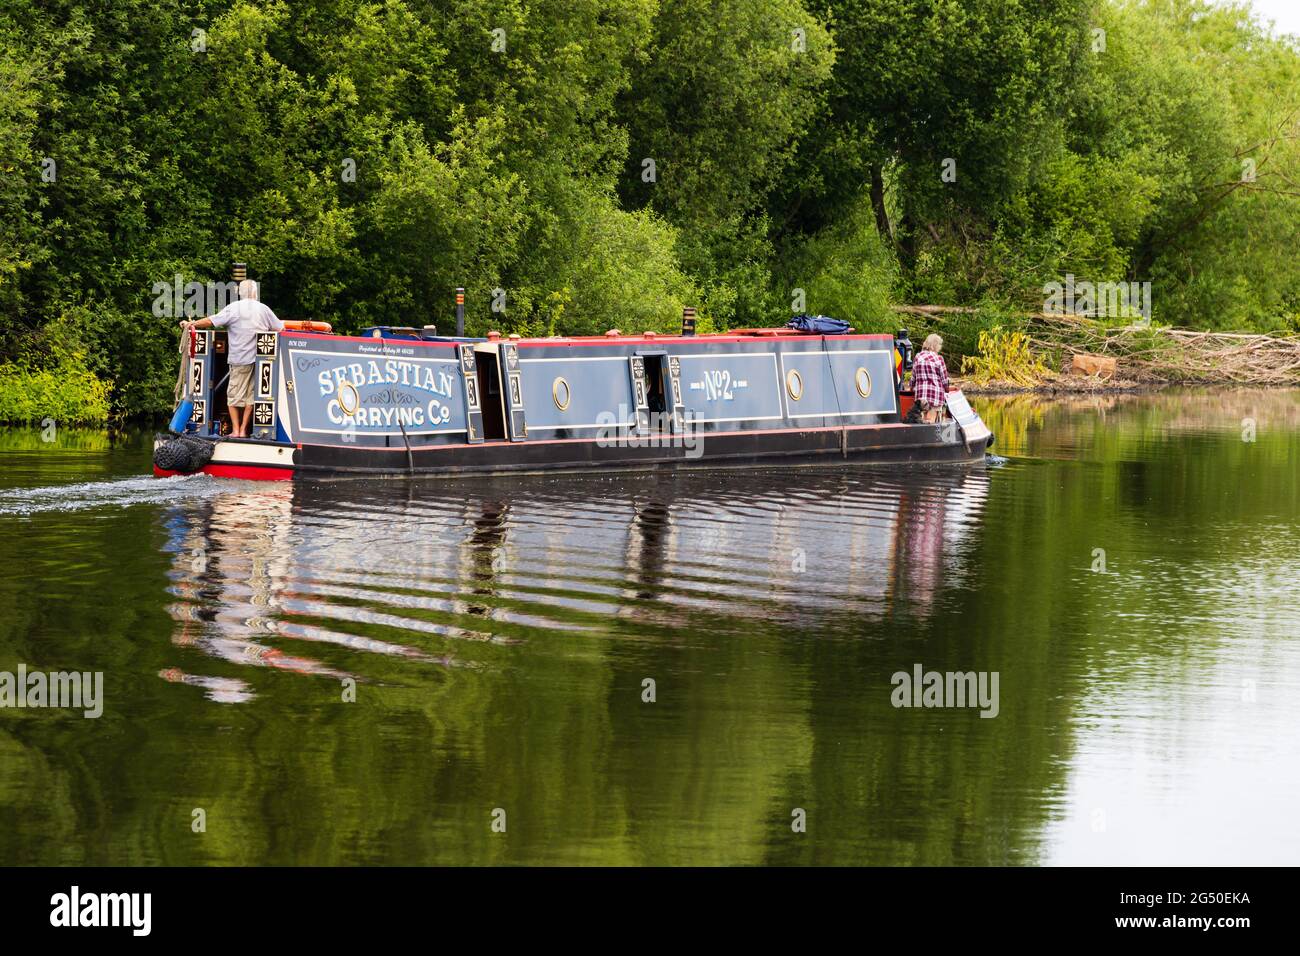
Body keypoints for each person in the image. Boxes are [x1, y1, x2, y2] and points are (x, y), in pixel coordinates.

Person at [184, 279, 283, 438]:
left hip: (239, 360)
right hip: (260, 362)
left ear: (240, 294)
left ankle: (236, 431)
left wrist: (193, 324)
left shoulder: (234, 308)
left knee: (232, 397)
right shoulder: (264, 309)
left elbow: (212, 321)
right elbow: (280, 328)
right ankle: (244, 429)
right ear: (256, 293)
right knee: (252, 397)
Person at [911, 333, 949, 423]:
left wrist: (912, 387)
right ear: (936, 345)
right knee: (931, 422)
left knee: (922, 421)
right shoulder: (939, 359)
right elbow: (944, 380)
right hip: (935, 396)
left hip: (921, 396)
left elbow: (913, 378)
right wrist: (947, 389)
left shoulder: (918, 357)